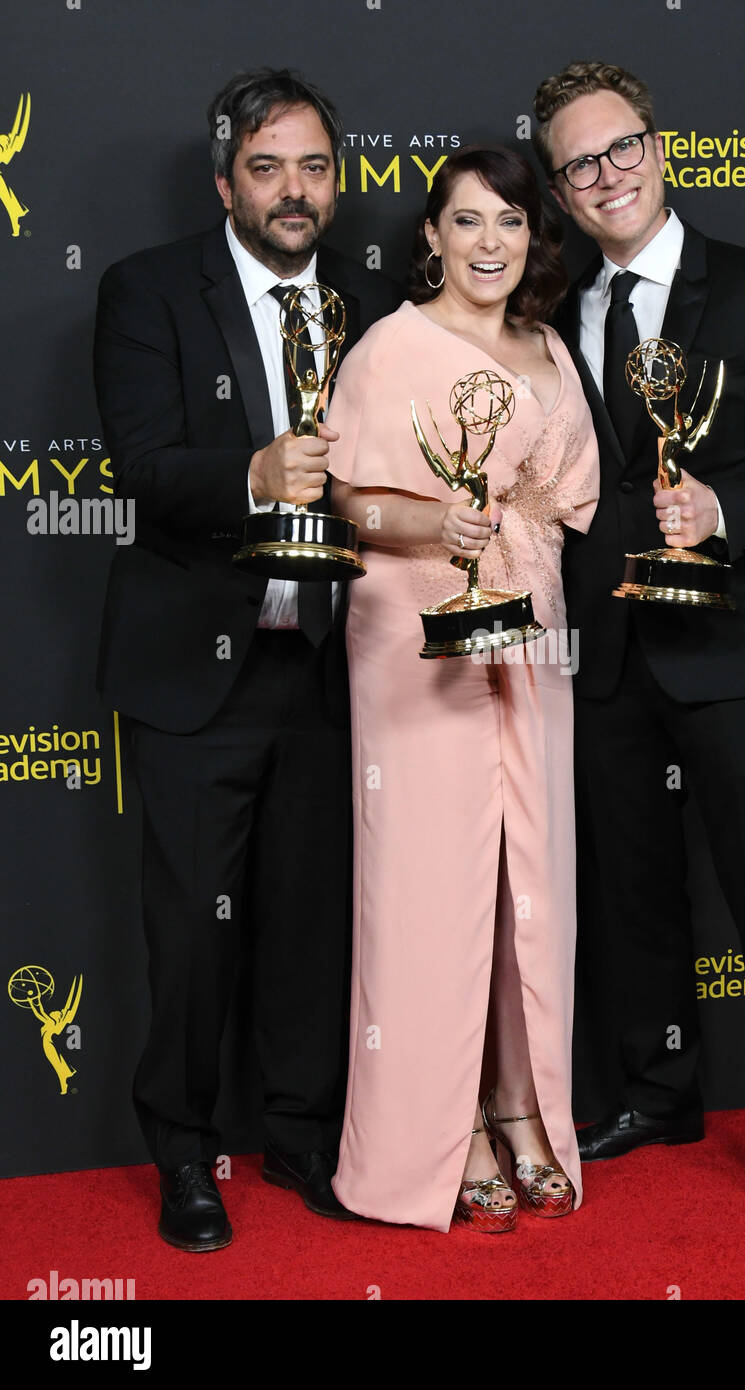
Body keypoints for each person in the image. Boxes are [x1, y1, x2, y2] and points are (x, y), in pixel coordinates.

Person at [532, 61, 745, 1243]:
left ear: (657, 147)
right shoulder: (557, 311)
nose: (606, 175)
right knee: (632, 902)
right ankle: (657, 1098)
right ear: (561, 192)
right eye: (578, 163)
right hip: (611, 652)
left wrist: (720, 510)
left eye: (619, 148)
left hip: (734, 655)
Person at [94, 68, 399, 1251]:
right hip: (195, 671)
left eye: (313, 167)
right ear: (224, 180)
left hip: (329, 669)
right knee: (188, 933)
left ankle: (302, 1133)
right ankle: (183, 1153)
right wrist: (252, 475)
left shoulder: (374, 310)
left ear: (339, 181)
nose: (292, 190)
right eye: (265, 167)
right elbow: (140, 462)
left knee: (312, 921)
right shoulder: (147, 291)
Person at [325, 145, 599, 1232]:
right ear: (429, 235)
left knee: (526, 883)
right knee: (427, 892)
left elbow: (564, 495)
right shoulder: (389, 348)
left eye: (512, 222)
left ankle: (520, 1106)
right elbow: (347, 498)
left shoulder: (547, 346)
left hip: (530, 626)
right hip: (413, 632)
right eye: (467, 222)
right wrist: (438, 522)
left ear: (536, 237)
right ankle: (434, 1139)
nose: (490, 243)